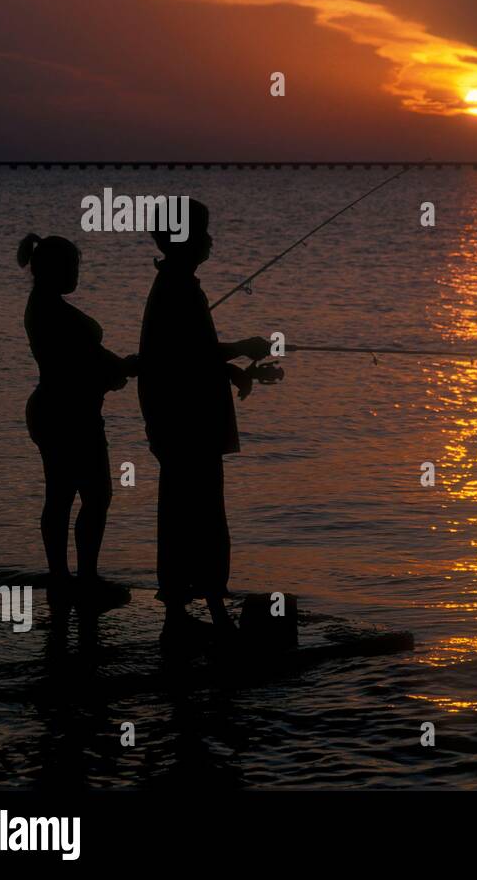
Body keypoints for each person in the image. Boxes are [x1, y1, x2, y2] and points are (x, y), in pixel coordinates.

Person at [137, 199, 278, 651]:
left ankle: (181, 613)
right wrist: (242, 347)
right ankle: (212, 612)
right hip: (187, 423)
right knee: (203, 516)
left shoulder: (175, 285)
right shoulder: (178, 288)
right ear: (185, 239)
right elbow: (192, 353)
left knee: (183, 513)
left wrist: (235, 369)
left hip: (177, 419)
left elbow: (186, 354)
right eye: (204, 232)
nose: (211, 239)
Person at [20, 233, 137, 609]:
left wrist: (115, 369)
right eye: (72, 266)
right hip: (67, 415)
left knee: (67, 496)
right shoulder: (49, 310)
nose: (77, 273)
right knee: (90, 496)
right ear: (54, 269)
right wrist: (118, 370)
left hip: (65, 410)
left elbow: (88, 357)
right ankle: (78, 580)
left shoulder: (46, 305)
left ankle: (68, 580)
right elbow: (78, 361)